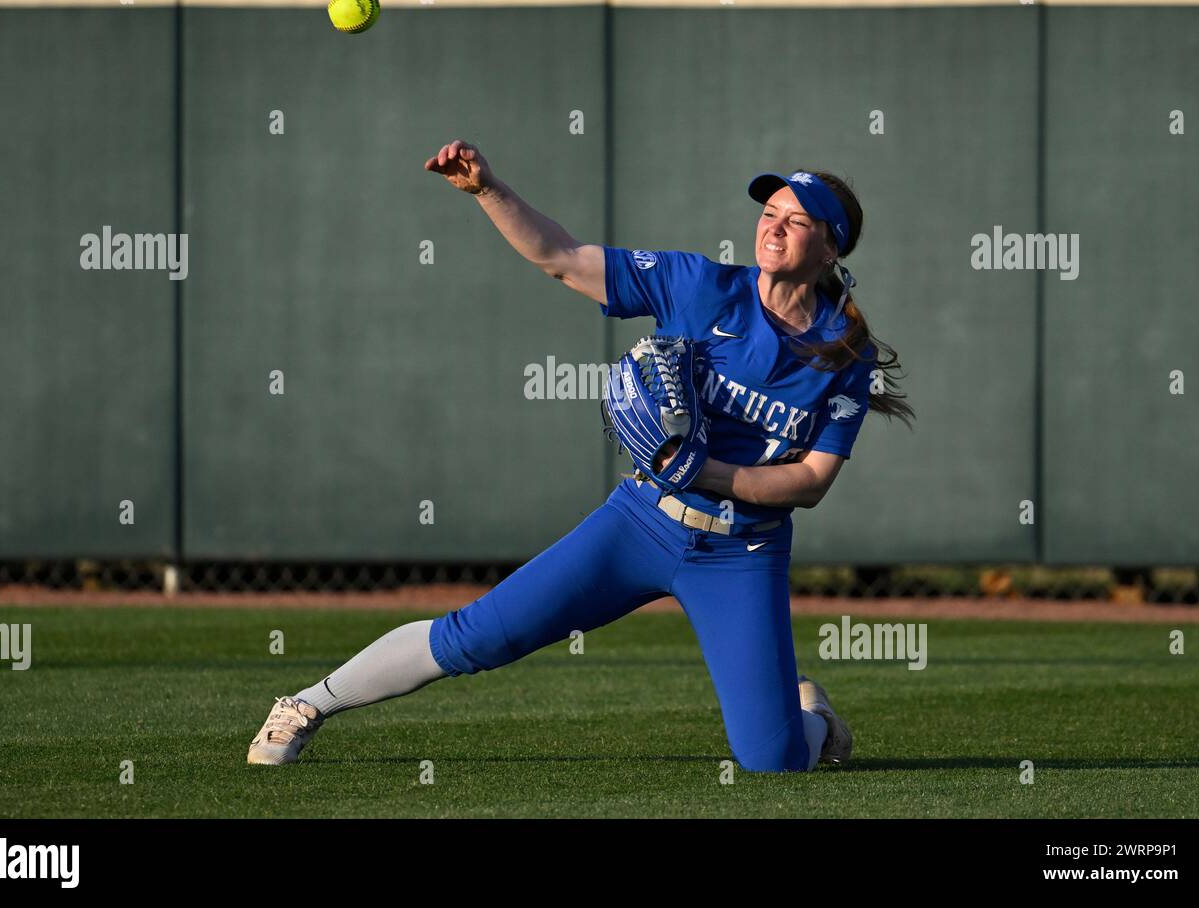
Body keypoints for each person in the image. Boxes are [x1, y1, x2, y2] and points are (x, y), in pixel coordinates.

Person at [247, 138, 914, 772]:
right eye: (770, 213)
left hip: (741, 553)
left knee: (773, 759)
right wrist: (489, 190)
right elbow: (560, 256)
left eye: (796, 221)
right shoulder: (700, 285)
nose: (774, 226)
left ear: (831, 246)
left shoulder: (842, 356)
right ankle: (306, 704)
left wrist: (700, 469)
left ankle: (815, 720)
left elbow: (810, 482)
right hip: (642, 522)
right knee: (476, 637)